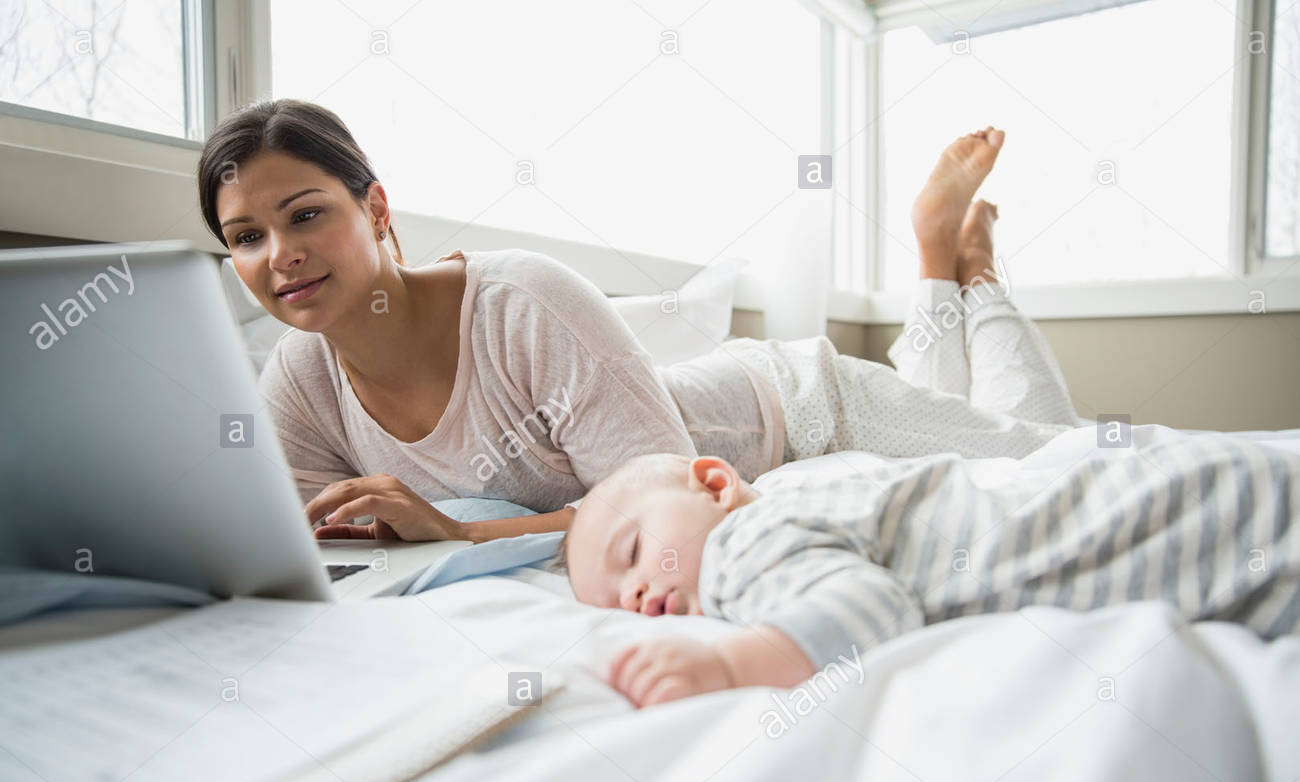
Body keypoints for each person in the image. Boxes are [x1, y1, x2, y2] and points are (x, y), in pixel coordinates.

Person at [198, 100, 1078, 544]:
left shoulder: (520, 302)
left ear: (376, 208)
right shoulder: (298, 379)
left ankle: (969, 268)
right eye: (246, 237)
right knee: (959, 403)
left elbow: (666, 499)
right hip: (767, 420)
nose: (281, 255)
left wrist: (461, 533)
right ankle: (944, 266)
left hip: (804, 413)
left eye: (306, 215)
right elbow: (309, 544)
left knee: (1053, 451)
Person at [561, 437, 1300, 709]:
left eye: (631, 552)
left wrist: (727, 665)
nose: (633, 593)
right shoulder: (808, 502)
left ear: (715, 485)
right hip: (1205, 493)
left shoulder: (742, 547)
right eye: (616, 602)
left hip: (1184, 530)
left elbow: (869, 610)